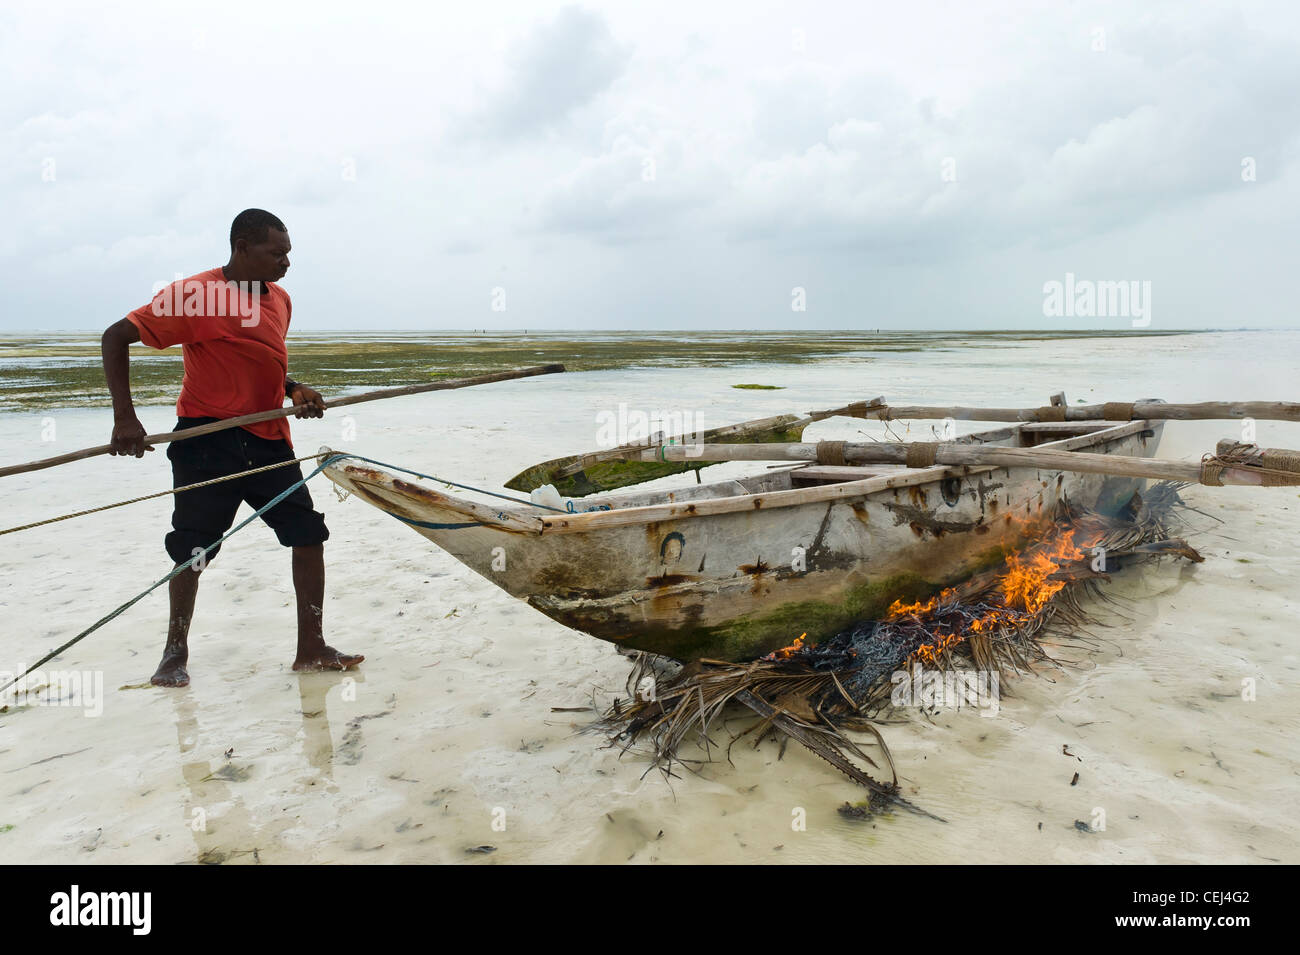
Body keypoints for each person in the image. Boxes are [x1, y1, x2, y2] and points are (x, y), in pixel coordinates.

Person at [100, 209, 364, 686]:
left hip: (269, 442)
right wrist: (124, 417)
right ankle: (173, 654)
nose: (285, 263)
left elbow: (257, 360)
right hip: (207, 439)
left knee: (308, 534)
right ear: (242, 246)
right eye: (275, 253)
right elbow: (115, 337)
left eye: (288, 254)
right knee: (193, 549)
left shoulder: (280, 299)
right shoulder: (194, 295)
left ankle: (312, 648)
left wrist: (294, 388)